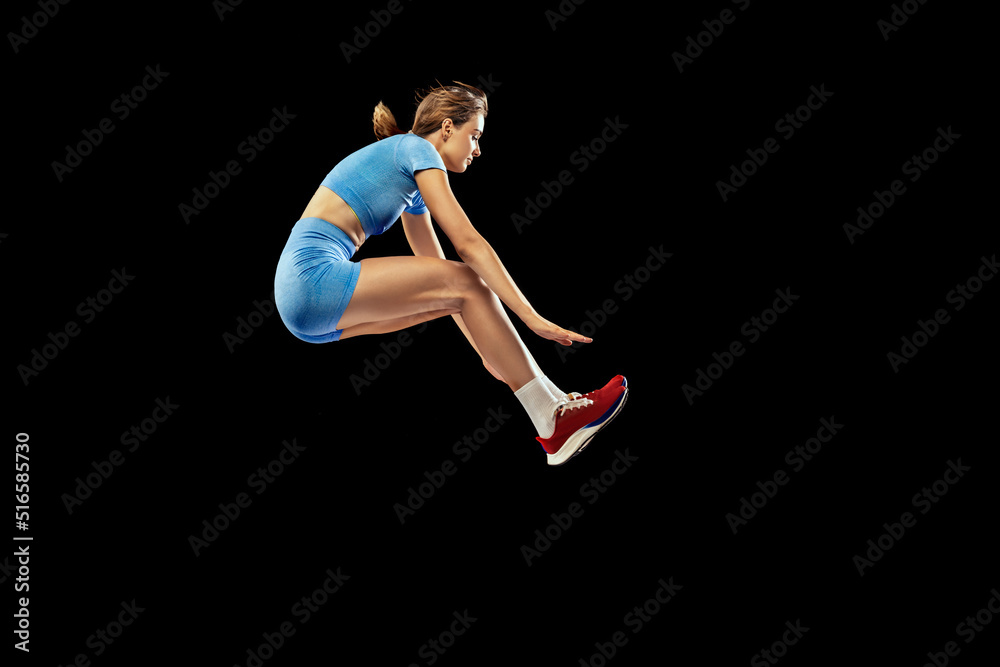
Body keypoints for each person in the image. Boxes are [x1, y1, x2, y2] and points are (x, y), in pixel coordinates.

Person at [273, 81, 627, 465]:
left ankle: (554, 412)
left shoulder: (408, 173)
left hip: (306, 315)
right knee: (468, 279)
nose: (478, 149)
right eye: (473, 135)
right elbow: (468, 246)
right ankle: (553, 418)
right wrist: (532, 318)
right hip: (310, 281)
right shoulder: (416, 149)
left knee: (457, 291)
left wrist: (487, 352)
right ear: (446, 128)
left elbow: (442, 280)